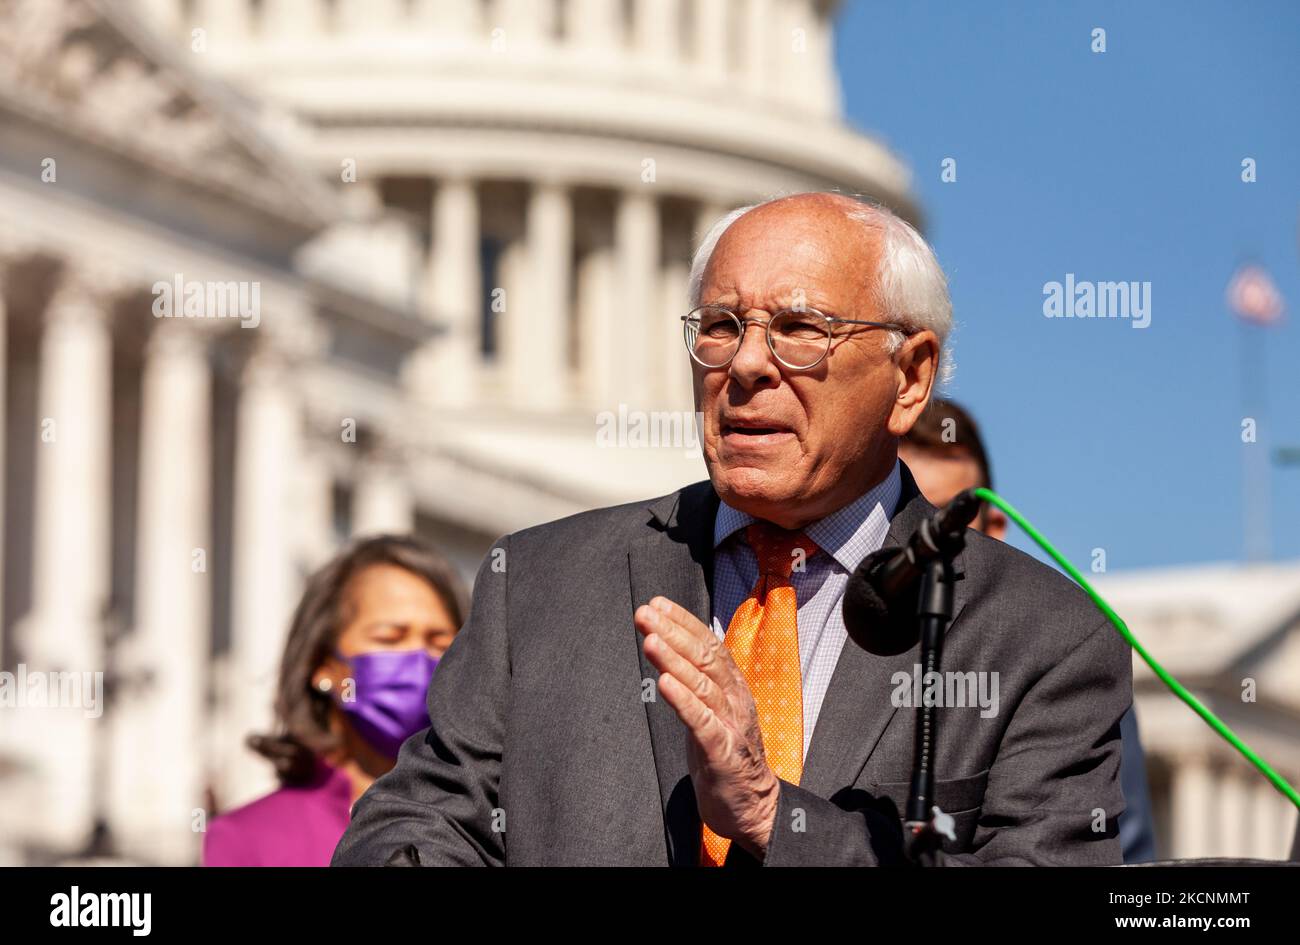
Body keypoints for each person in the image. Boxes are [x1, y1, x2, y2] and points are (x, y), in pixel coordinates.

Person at [333, 191, 1131, 866]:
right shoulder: (539, 584)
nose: (746, 365)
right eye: (720, 324)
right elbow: (414, 826)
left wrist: (768, 812)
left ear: (911, 376)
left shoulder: (1041, 641)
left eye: (800, 327)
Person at [900, 397, 1157, 863]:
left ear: (994, 528)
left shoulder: (1068, 658)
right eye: (902, 523)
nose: (918, 545)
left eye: (942, 524)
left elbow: (1127, 852)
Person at [203, 534, 468, 866]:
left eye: (439, 643)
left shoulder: (481, 829)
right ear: (324, 666)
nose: (417, 660)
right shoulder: (247, 838)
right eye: (389, 637)